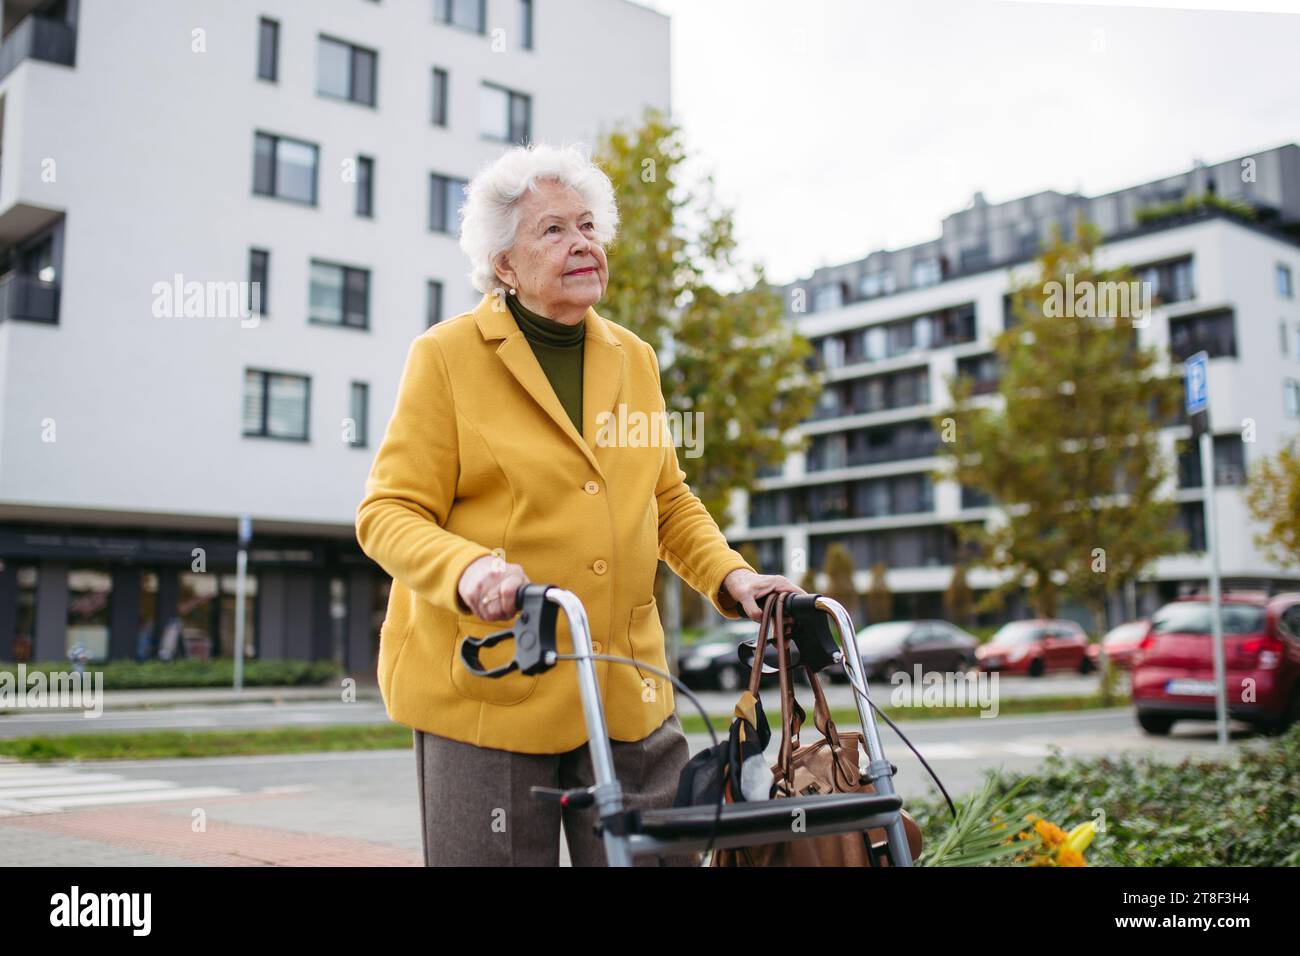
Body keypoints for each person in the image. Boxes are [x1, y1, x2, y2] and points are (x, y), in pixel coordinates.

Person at [355, 142, 803, 866]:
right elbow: (388, 512)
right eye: (554, 230)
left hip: (625, 684)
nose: (583, 243)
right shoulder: (447, 357)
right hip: (492, 681)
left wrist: (733, 578)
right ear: (505, 265)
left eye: (589, 226)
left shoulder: (634, 357)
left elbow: (666, 499)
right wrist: (468, 570)